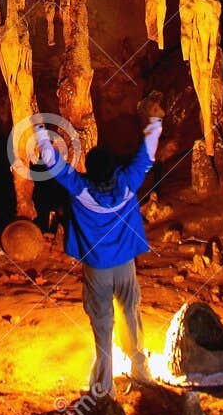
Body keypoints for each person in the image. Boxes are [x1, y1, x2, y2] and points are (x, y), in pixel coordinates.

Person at [34, 101, 164, 398]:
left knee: (102, 321)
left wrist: (41, 132)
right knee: (131, 313)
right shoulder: (127, 185)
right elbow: (146, 157)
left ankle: (103, 385)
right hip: (125, 265)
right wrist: (155, 123)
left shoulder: (81, 189)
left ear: (90, 169)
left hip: (97, 267)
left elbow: (54, 165)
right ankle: (140, 371)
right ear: (114, 166)